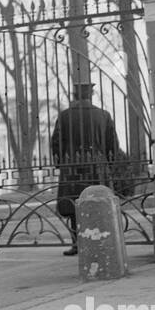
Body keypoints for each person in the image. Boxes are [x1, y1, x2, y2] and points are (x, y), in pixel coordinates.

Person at [50, 81, 119, 256]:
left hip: (72, 166)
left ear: (75, 96)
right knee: (99, 201)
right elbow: (112, 143)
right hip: (97, 165)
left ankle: (77, 243)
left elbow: (56, 142)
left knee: (75, 205)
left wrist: (61, 163)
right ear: (91, 95)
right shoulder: (103, 115)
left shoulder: (65, 116)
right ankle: (101, 239)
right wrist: (108, 163)